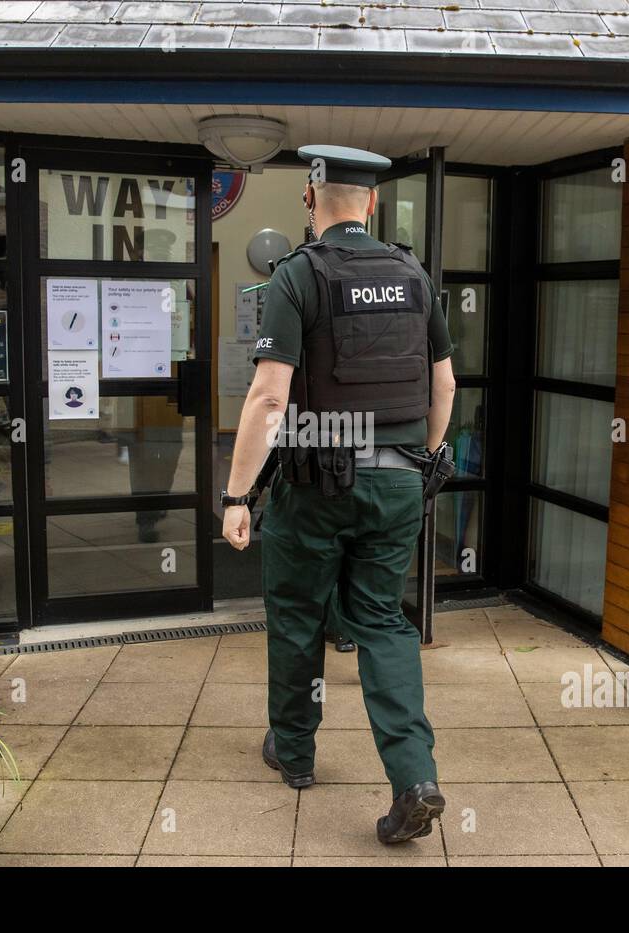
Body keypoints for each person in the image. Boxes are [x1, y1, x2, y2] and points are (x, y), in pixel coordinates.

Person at [220, 145, 456, 845]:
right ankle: (414, 777)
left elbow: (268, 397)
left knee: (297, 617)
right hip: (398, 484)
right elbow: (444, 385)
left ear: (309, 199)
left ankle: (294, 755)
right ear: (373, 204)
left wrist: (237, 495)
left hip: (315, 484)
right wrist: (430, 457)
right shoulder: (413, 273)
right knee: (383, 622)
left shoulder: (298, 276)